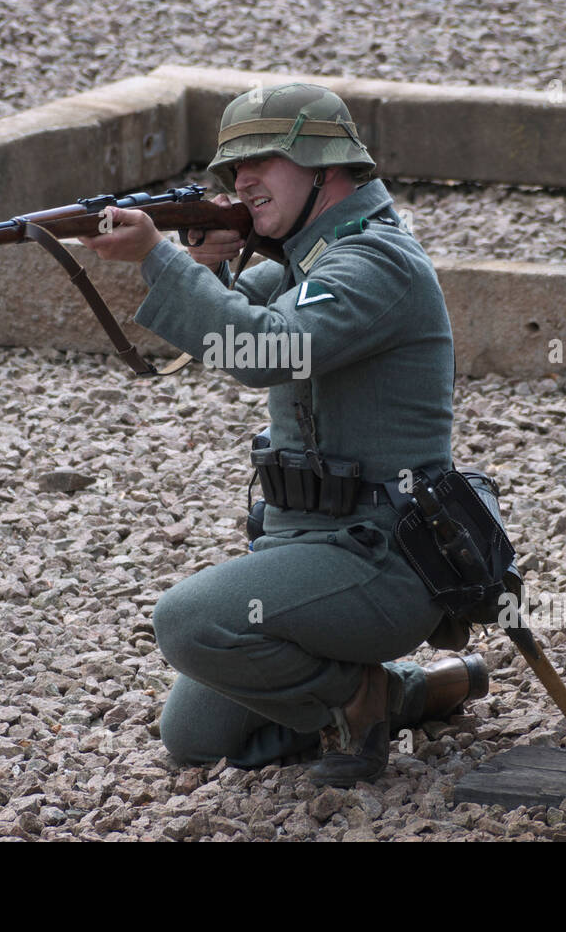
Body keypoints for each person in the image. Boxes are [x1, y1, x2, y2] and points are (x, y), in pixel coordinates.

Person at [78, 83, 488, 786]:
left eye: (264, 161)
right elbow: (240, 314)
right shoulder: (307, 260)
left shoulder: (373, 262)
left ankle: (357, 697)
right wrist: (204, 261)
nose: (241, 181)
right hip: (307, 545)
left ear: (328, 168)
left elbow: (263, 349)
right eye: (233, 168)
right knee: (193, 734)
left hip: (384, 561)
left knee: (185, 623)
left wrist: (160, 257)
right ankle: (409, 690)